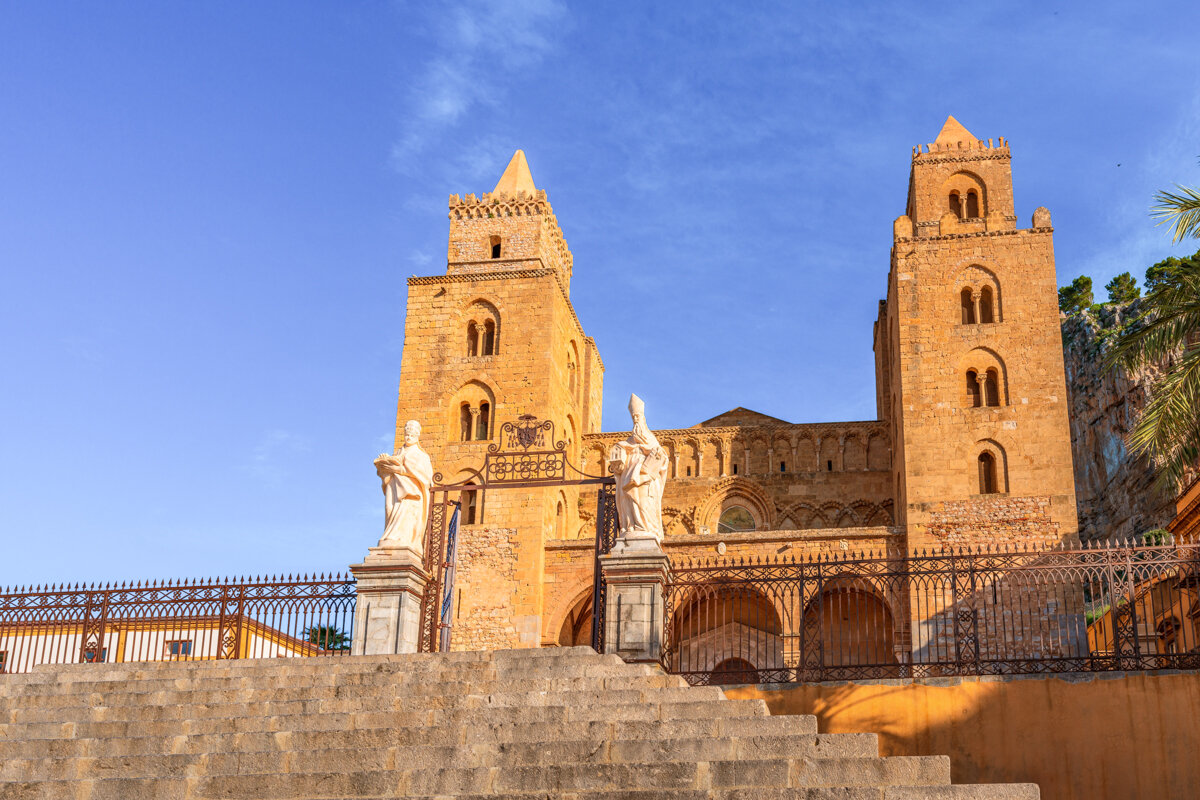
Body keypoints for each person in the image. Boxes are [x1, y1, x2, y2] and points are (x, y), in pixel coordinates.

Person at [608, 394, 669, 542]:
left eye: (638, 417)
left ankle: (645, 528)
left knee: (643, 503)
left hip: (644, 478)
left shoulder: (651, 439)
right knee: (628, 500)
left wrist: (650, 458)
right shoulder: (626, 442)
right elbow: (618, 461)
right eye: (634, 417)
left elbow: (661, 457)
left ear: (643, 419)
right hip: (629, 476)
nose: (636, 420)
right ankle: (630, 527)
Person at [373, 420, 434, 554]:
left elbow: (425, 477)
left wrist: (400, 469)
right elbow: (386, 476)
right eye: (407, 434)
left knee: (407, 518)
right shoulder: (398, 453)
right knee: (392, 512)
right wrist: (385, 466)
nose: (409, 437)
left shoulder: (421, 455)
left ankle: (407, 541)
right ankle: (392, 539)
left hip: (412, 494)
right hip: (394, 493)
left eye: (412, 435)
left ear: (417, 436)